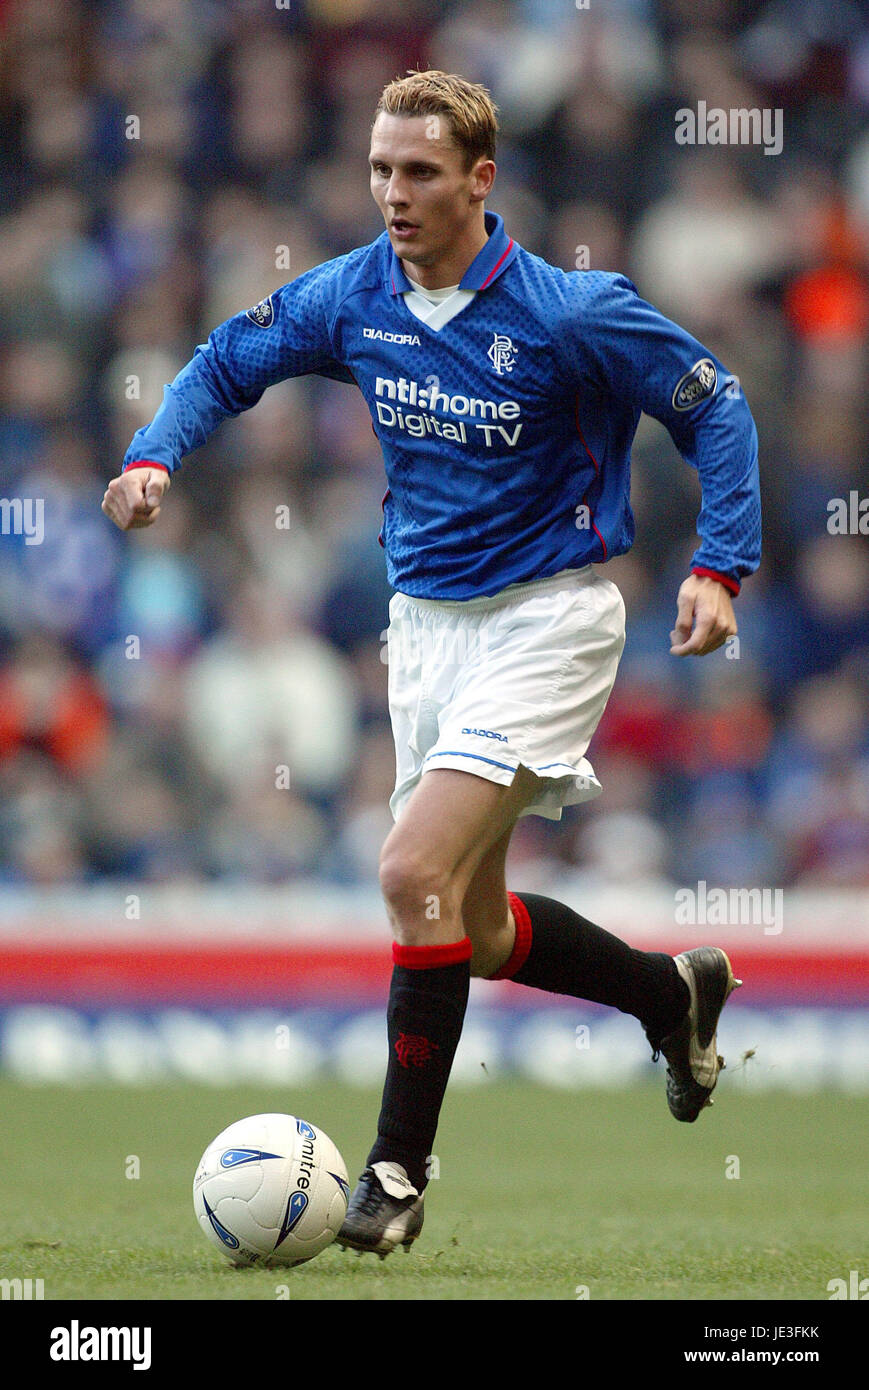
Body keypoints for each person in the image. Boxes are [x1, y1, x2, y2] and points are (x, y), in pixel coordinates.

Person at [103, 70, 757, 1259]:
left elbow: (714, 406)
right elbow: (223, 360)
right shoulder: (353, 294)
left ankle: (394, 1175)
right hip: (428, 631)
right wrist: (156, 456)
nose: (392, 195)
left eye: (416, 172)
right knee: (478, 925)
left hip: (548, 617)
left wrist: (718, 564)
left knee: (405, 871)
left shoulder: (570, 311)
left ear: (478, 180)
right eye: (377, 170)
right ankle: (672, 997)